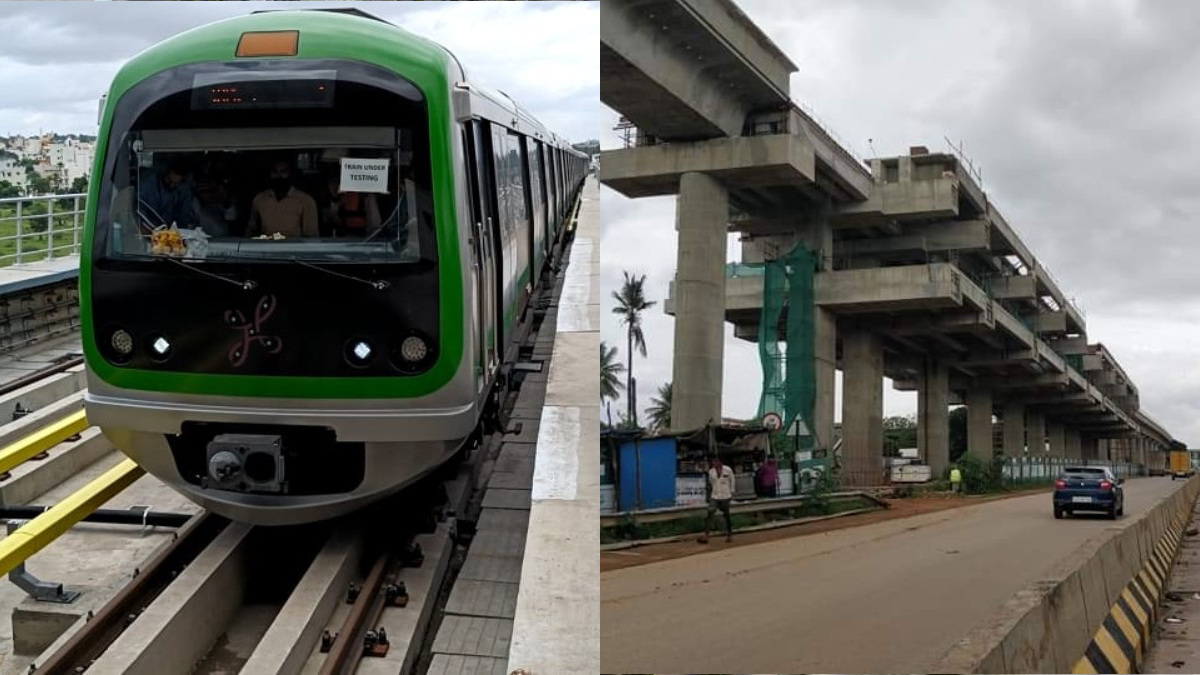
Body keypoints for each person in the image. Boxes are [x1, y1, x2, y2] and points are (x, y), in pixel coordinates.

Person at [247, 160, 318, 238]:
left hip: (295, 248)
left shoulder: (305, 200)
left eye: (283, 171)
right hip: (266, 247)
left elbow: (311, 236)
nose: (279, 175)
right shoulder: (259, 199)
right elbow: (251, 231)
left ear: (290, 173)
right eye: (275, 172)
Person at [138, 161, 197, 229]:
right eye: (169, 182)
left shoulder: (184, 189)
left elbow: (184, 214)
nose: (172, 186)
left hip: (173, 230)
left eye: (176, 184)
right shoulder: (148, 186)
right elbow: (141, 211)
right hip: (151, 227)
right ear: (167, 173)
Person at [699, 456, 735, 544]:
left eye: (716, 461)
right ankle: (706, 535)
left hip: (726, 496)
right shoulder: (711, 472)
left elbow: (732, 481)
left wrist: (732, 492)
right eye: (713, 462)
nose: (714, 463)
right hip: (715, 496)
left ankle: (729, 534)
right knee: (710, 514)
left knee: (726, 515)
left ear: (720, 462)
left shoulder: (728, 470)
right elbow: (711, 483)